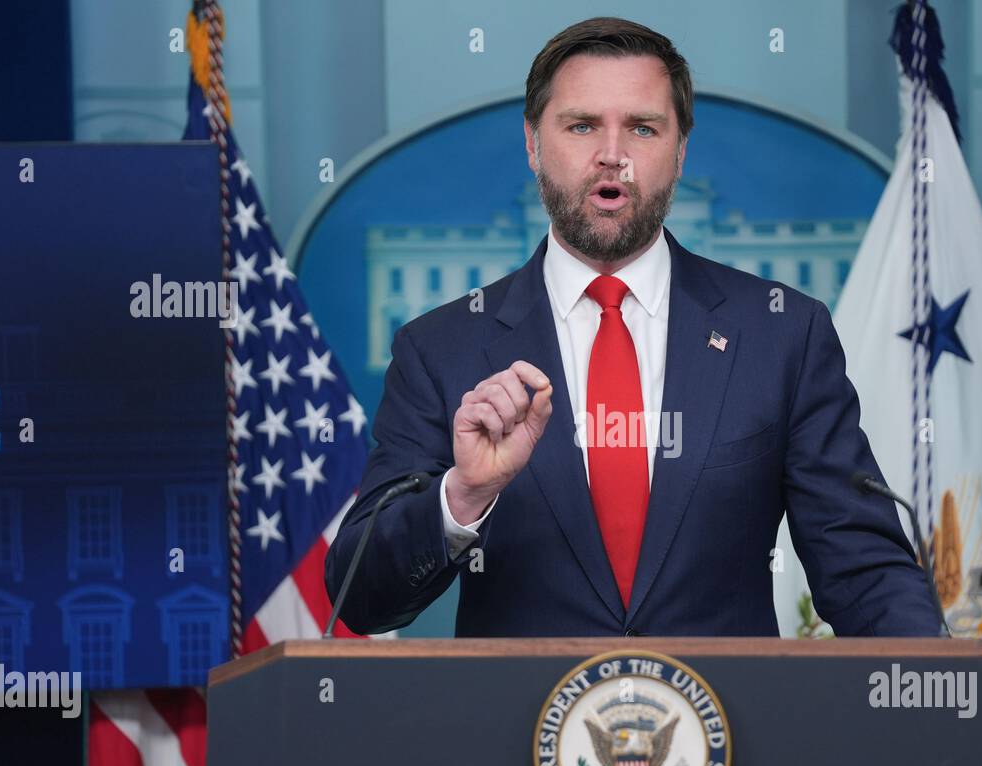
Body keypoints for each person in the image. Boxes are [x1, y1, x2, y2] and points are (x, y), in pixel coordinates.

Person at [325, 16, 943, 638]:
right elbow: (364, 599)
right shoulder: (441, 349)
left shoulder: (782, 334)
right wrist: (462, 496)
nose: (612, 155)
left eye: (643, 128)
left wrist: (941, 691)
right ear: (534, 144)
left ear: (680, 152)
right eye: (582, 125)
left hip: (730, 728)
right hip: (517, 729)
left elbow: (864, 572)